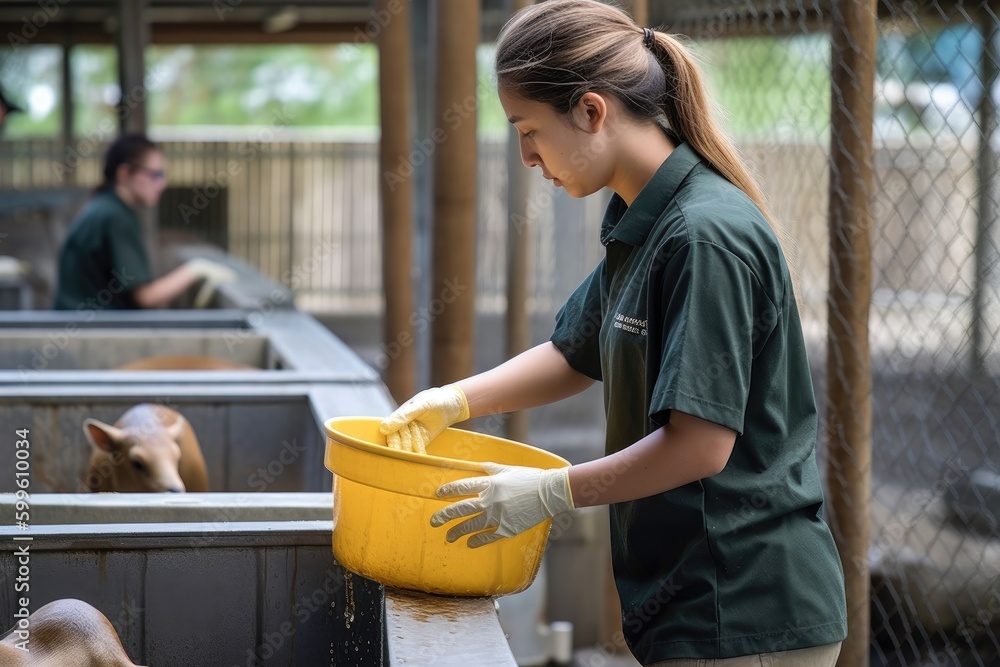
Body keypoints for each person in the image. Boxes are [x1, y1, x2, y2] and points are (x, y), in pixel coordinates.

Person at [378, 1, 848, 665]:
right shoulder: (644, 218)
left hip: (742, 603)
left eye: (529, 128)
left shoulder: (703, 234)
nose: (527, 155)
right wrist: (452, 400)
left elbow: (700, 446)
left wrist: (553, 492)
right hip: (687, 600)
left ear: (592, 111)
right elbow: (574, 351)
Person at [53, 134, 236, 311]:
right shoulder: (115, 216)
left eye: (163, 175)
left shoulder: (103, 206)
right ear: (124, 174)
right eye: (154, 174)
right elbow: (146, 297)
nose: (162, 184)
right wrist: (194, 270)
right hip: (90, 333)